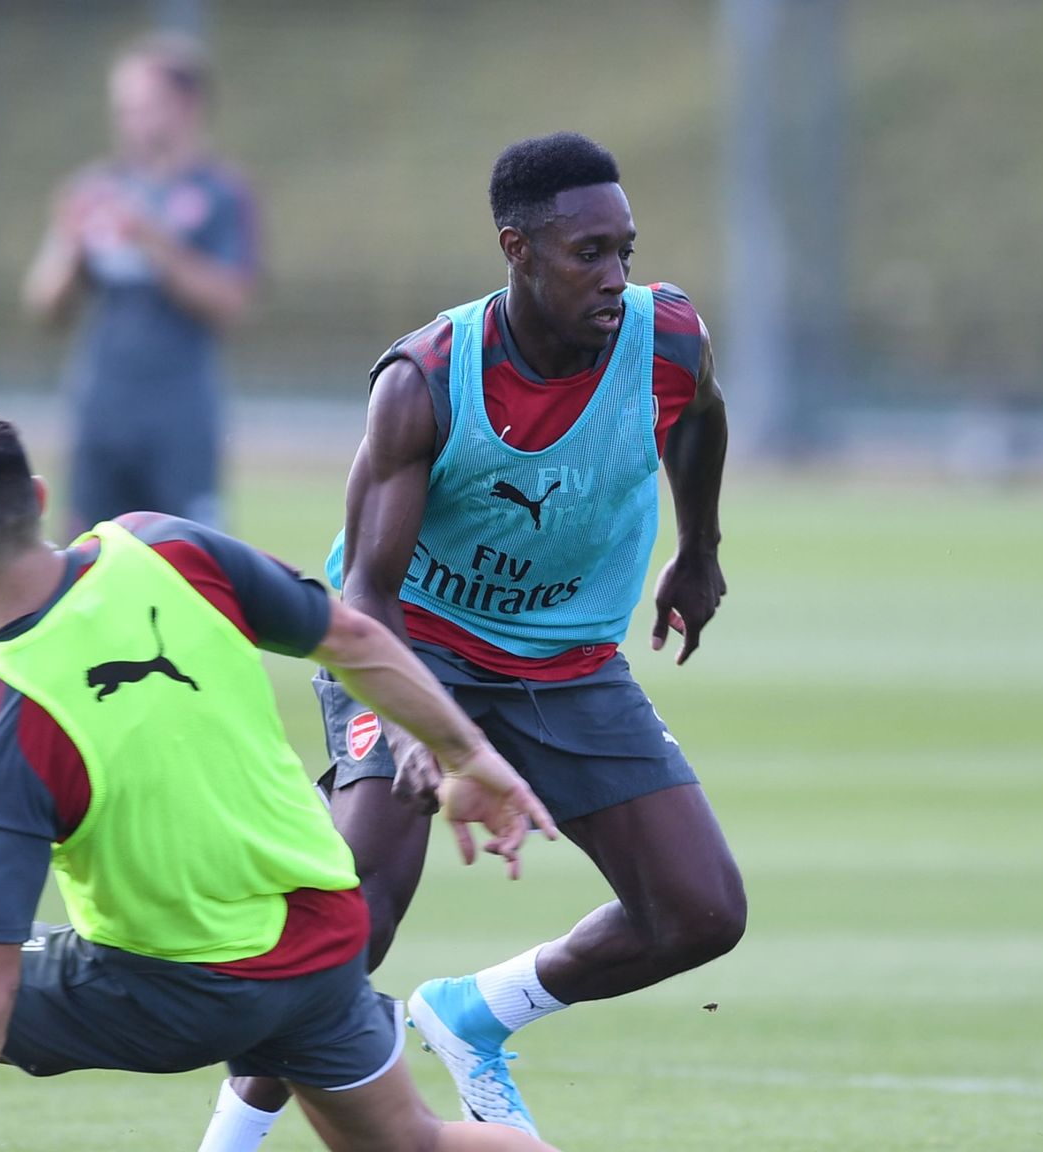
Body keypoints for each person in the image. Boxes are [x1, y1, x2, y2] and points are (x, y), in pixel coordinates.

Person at [0, 405, 562, 1152]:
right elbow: (354, 637)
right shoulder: (163, 548)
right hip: (326, 941)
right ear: (40, 499)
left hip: (180, 991)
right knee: (417, 1144)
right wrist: (468, 757)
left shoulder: (5, 725)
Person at [200, 132, 743, 1148]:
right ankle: (226, 1141)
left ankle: (476, 1013)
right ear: (518, 250)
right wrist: (416, 735)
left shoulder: (663, 339)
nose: (614, 277)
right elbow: (363, 594)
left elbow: (697, 420)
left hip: (571, 661)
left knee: (701, 912)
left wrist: (698, 550)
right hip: (419, 649)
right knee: (356, 910)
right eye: (589, 253)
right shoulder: (426, 377)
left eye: (624, 249)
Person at [20, 32, 257, 534]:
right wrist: (69, 244)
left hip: (179, 412)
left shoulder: (221, 194)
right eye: (122, 107)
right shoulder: (96, 188)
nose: (128, 119)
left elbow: (231, 302)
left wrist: (157, 244)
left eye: (144, 105)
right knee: (87, 557)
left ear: (187, 105)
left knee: (187, 557)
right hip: (101, 407)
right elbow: (44, 306)